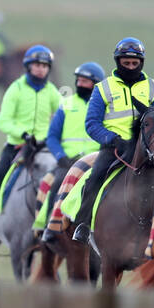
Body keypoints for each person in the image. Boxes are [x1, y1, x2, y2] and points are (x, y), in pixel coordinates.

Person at [71, 39, 154, 247]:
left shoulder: (153, 87)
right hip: (114, 148)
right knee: (94, 179)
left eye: (134, 63)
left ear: (141, 63)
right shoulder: (103, 88)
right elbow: (92, 123)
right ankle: (83, 225)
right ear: (118, 62)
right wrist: (111, 139)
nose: (130, 67)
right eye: (126, 63)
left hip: (146, 149)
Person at [0, 44, 61, 234]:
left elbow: (61, 115)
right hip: (18, 145)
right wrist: (23, 134)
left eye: (45, 65)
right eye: (37, 65)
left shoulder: (53, 92)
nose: (41, 69)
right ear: (28, 66)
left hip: (44, 146)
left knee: (60, 174)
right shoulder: (15, 89)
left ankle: (57, 217)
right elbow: (4, 121)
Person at [39, 61, 104, 247]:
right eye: (79, 80)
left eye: (86, 81)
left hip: (96, 160)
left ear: (96, 84)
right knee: (57, 184)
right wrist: (60, 156)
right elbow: (52, 136)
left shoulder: (104, 106)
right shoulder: (66, 104)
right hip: (69, 162)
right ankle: (50, 228)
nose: (80, 84)